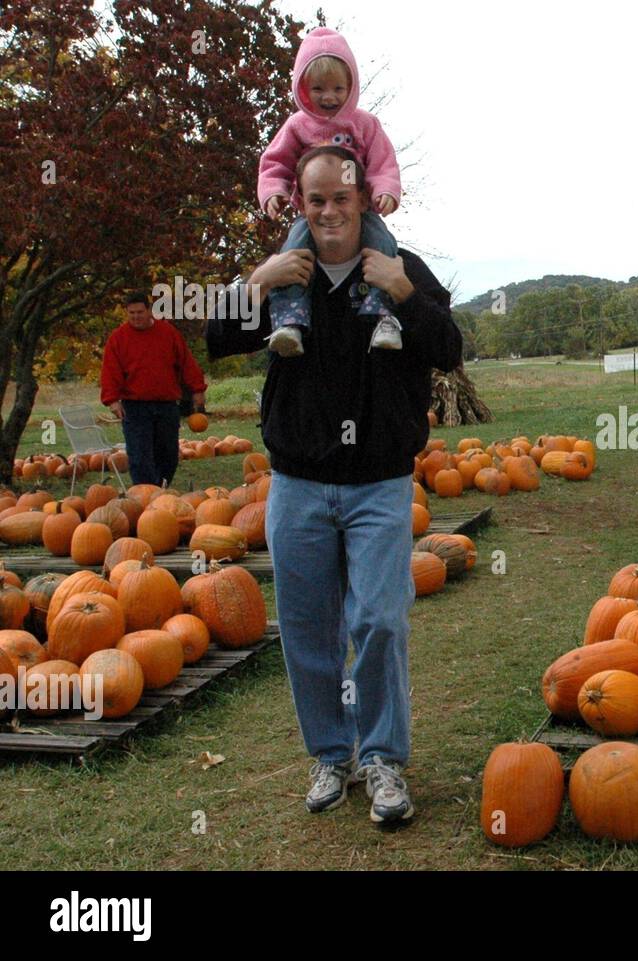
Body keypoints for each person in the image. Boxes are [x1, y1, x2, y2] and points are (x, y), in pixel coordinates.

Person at [207, 145, 462, 825]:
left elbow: (450, 347)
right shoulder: (287, 275)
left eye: (341, 198)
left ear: (362, 199)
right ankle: (332, 753)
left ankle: (382, 758)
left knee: (378, 620)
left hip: (379, 482)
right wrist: (257, 281)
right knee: (306, 629)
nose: (328, 211)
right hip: (297, 481)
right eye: (315, 199)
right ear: (299, 202)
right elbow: (216, 335)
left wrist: (405, 297)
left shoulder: (400, 270)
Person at [258, 26, 403, 358]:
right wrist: (274, 191)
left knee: (383, 246)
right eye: (319, 89)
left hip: (364, 212)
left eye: (338, 88)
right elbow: (275, 162)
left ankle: (382, 314)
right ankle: (290, 319)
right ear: (304, 89)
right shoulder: (296, 126)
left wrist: (385, 190)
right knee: (292, 254)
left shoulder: (365, 124)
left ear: (351, 87)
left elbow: (382, 162)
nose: (329, 97)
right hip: (303, 218)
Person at [100, 291, 207, 487]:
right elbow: (110, 371)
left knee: (168, 454)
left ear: (149, 310)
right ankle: (146, 494)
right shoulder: (118, 338)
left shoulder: (167, 332)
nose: (136, 317)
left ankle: (162, 489)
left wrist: (197, 389)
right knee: (140, 455)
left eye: (140, 312)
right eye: (131, 313)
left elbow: (186, 362)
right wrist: (112, 400)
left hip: (166, 404)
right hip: (135, 406)